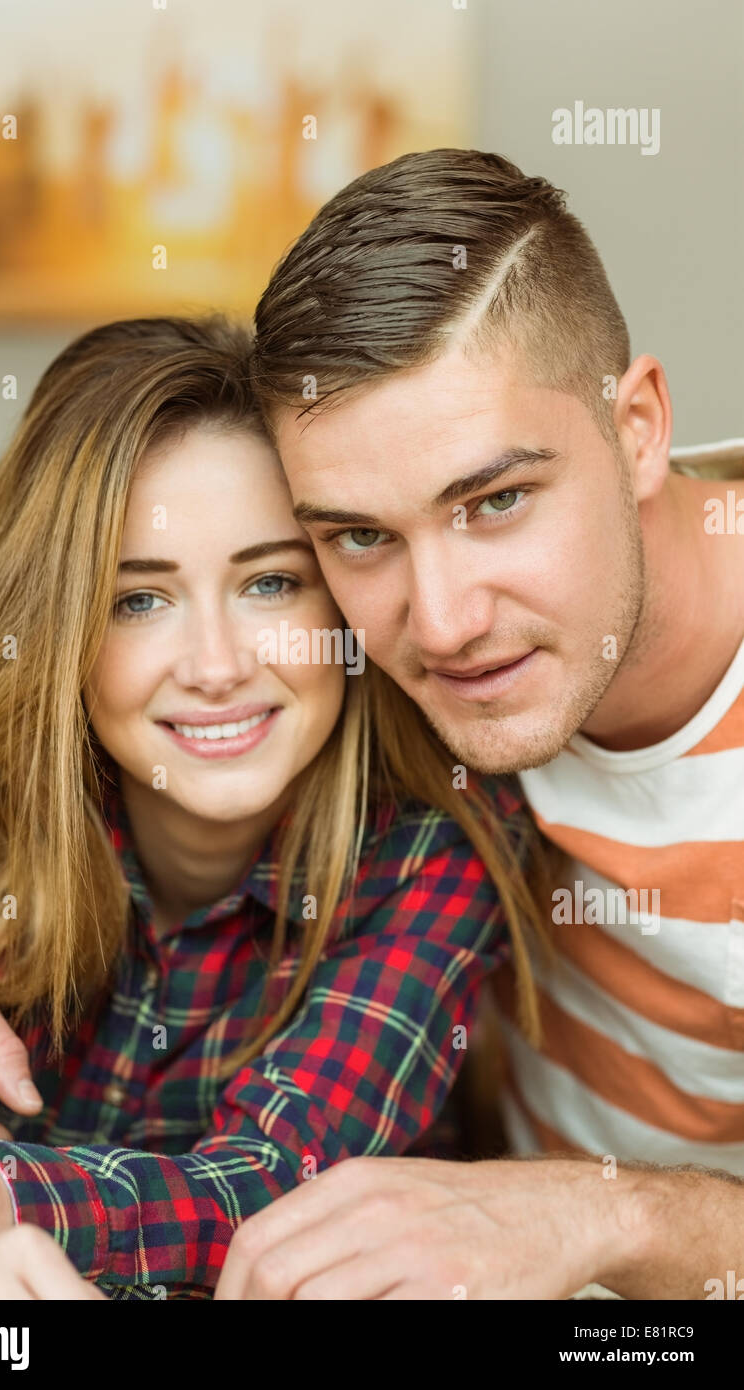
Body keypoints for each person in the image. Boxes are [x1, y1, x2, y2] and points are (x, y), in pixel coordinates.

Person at [0, 313, 543, 1299]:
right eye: (137, 599)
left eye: (270, 582)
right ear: (60, 626)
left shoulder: (433, 837)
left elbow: (279, 1189)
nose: (219, 667)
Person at [210, 145, 744, 1299]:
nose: (442, 625)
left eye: (493, 501)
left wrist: (600, 1214)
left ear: (639, 427)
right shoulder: (363, 644)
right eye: (359, 534)